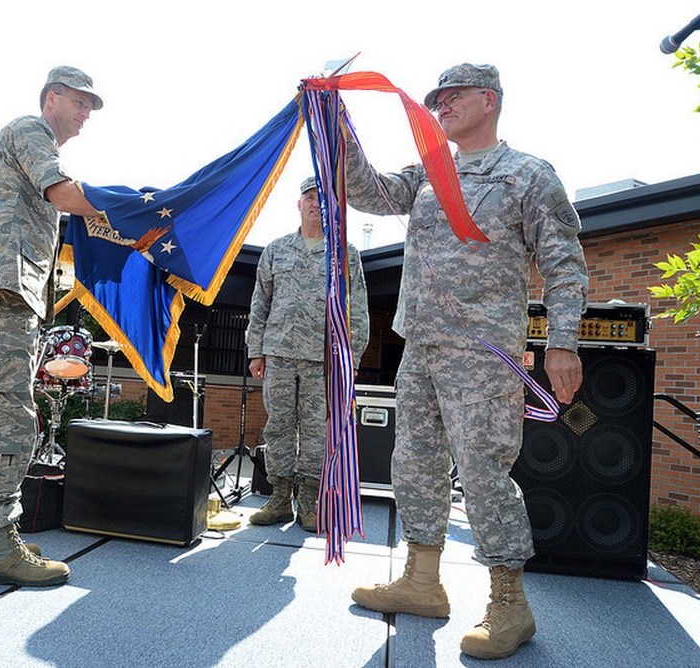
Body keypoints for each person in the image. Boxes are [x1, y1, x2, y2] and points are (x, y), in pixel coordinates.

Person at [344, 63, 588, 660]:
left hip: (482, 353)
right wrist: (336, 128)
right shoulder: (430, 171)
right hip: (420, 346)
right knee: (415, 465)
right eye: (437, 100)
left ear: (489, 100)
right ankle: (422, 582)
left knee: (483, 473)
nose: (442, 107)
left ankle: (510, 603)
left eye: (454, 97)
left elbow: (564, 263)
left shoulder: (527, 174)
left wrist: (562, 342)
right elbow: (369, 191)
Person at [0, 66, 105, 587]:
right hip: (5, 289)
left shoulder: (33, 139)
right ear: (51, 98)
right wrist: (126, 208)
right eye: (79, 102)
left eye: (90, 106)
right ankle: (1, 545)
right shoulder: (30, 130)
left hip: (6, 291)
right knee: (12, 420)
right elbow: (63, 196)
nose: (86, 113)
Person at [246, 176, 370, 532]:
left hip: (324, 359)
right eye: (309, 197)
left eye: (323, 197)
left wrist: (352, 358)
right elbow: (260, 303)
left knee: (316, 431)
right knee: (279, 426)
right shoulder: (276, 250)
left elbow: (357, 310)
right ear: (299, 204)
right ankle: (279, 499)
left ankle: (310, 502)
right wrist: (256, 350)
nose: (316, 203)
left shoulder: (344, 254)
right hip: (279, 354)